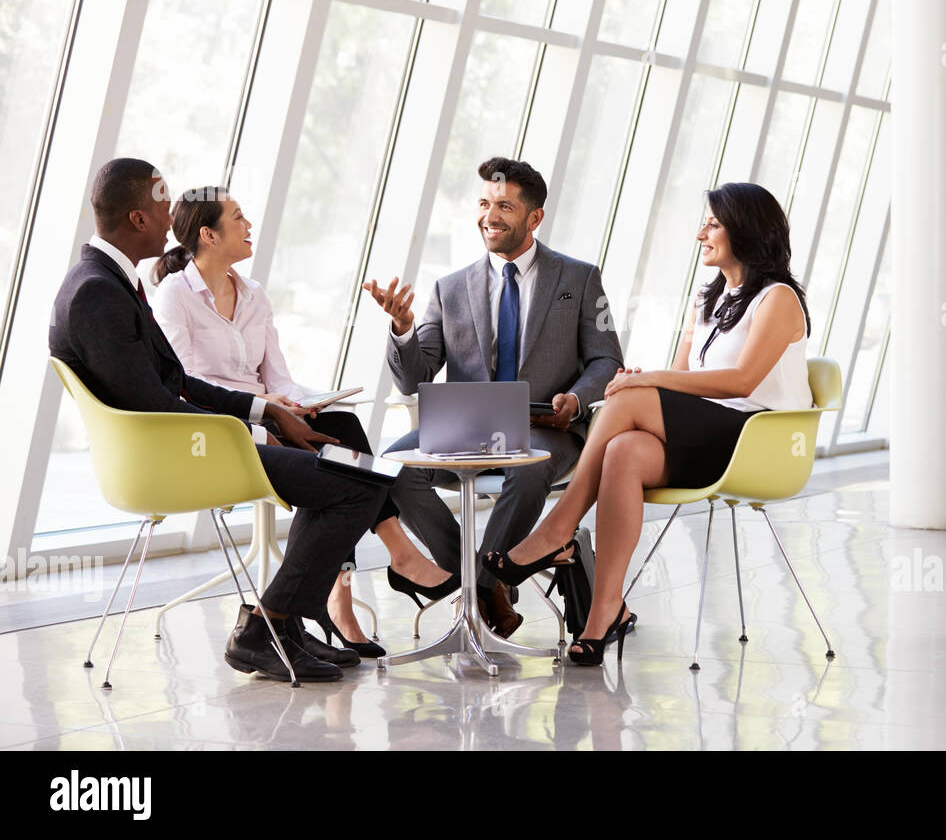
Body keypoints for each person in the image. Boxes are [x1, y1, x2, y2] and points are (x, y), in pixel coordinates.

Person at [49, 157, 391, 683]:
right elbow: (153, 406)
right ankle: (269, 625)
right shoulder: (98, 291)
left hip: (193, 441)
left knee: (355, 466)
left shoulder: (112, 281)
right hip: (181, 455)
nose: (171, 221)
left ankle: (282, 623)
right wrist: (251, 430)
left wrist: (267, 409)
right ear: (138, 218)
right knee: (356, 486)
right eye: (164, 208)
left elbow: (177, 382)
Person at [483, 182, 812, 665]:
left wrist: (647, 382)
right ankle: (603, 616)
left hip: (756, 440)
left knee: (632, 394)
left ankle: (557, 530)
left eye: (713, 224)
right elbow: (682, 378)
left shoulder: (777, 298)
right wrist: (645, 381)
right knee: (624, 451)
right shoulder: (710, 299)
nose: (702, 232)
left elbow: (743, 381)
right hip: (705, 437)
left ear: (745, 230)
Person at [151, 186, 457, 657]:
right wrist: (267, 404)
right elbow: (187, 384)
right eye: (238, 217)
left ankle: (346, 593)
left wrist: (308, 401)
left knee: (342, 428)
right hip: (220, 432)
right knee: (343, 464)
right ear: (208, 235)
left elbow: (279, 379)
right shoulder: (175, 296)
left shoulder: (252, 295)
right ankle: (379, 571)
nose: (249, 225)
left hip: (268, 420)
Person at [363, 157, 624, 638]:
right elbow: (413, 375)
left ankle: (478, 588)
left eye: (504, 205)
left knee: (527, 476)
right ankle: (485, 587)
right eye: (484, 203)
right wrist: (402, 329)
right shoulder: (450, 288)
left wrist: (578, 397)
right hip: (468, 427)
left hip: (548, 427)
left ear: (534, 217)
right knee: (393, 467)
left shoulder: (580, 279)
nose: (490, 215)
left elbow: (607, 359)